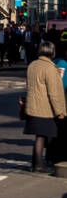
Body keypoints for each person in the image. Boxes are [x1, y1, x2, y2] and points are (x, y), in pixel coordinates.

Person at [22, 40, 67, 175]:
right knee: (42, 137)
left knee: (39, 136)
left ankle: (35, 163)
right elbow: (54, 93)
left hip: (32, 106)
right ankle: (38, 166)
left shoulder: (32, 65)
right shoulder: (50, 68)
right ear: (51, 52)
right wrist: (60, 111)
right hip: (44, 108)